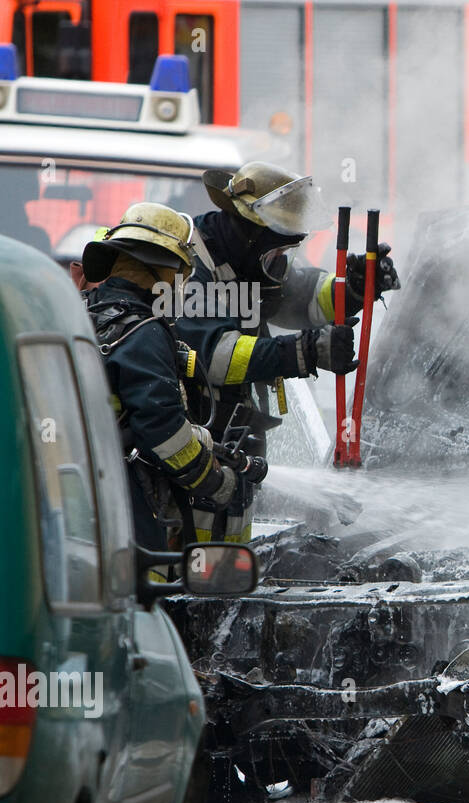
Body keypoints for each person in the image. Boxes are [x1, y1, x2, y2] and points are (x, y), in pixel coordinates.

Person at [174, 161, 399, 541]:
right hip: (187, 449)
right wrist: (304, 353)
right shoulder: (191, 265)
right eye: (275, 255)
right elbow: (213, 356)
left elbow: (302, 294)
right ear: (248, 231)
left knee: (230, 561)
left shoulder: (250, 264)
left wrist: (353, 289)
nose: (279, 264)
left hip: (234, 445)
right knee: (186, 557)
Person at [82, 202, 240, 566]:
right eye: (177, 274)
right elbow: (163, 427)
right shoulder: (143, 332)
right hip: (125, 500)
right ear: (163, 269)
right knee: (145, 590)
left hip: (77, 488)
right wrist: (213, 480)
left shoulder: (81, 311)